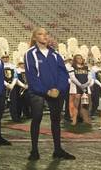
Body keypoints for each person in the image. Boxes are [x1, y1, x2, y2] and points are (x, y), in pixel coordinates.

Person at [24, 27, 75, 160]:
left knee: (56, 120)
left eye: (46, 34)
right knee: (37, 118)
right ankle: (34, 150)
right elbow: (32, 76)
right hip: (38, 92)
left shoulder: (55, 54)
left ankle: (57, 150)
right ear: (35, 38)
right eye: (40, 34)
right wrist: (45, 90)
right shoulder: (30, 54)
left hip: (55, 91)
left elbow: (63, 74)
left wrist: (58, 88)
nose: (45, 36)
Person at [68, 54, 92, 125]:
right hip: (76, 88)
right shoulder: (72, 67)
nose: (80, 59)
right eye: (78, 58)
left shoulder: (87, 67)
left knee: (84, 104)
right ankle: (74, 119)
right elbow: (72, 78)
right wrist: (80, 85)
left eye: (81, 58)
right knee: (75, 105)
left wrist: (86, 84)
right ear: (75, 60)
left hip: (85, 88)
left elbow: (90, 77)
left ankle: (85, 119)